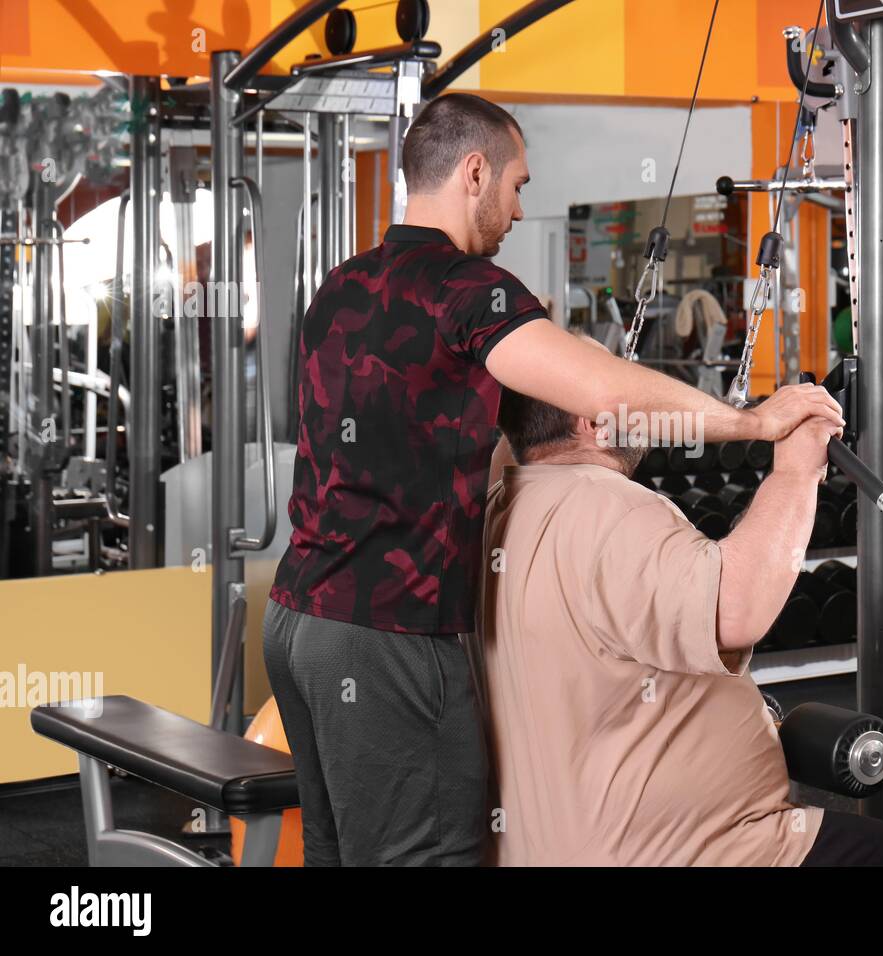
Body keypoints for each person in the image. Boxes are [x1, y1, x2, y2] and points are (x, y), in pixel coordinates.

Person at [262, 92, 844, 866]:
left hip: (298, 619)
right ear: (475, 173)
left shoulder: (341, 285)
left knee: (338, 854)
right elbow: (600, 390)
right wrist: (755, 423)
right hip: (388, 633)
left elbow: (415, 431)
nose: (514, 207)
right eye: (517, 185)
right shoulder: (471, 287)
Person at [476, 339, 883, 866]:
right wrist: (796, 471)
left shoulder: (500, 507)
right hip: (678, 849)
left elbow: (516, 436)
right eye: (622, 393)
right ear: (591, 422)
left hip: (549, 845)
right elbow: (734, 613)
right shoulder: (605, 506)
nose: (642, 410)